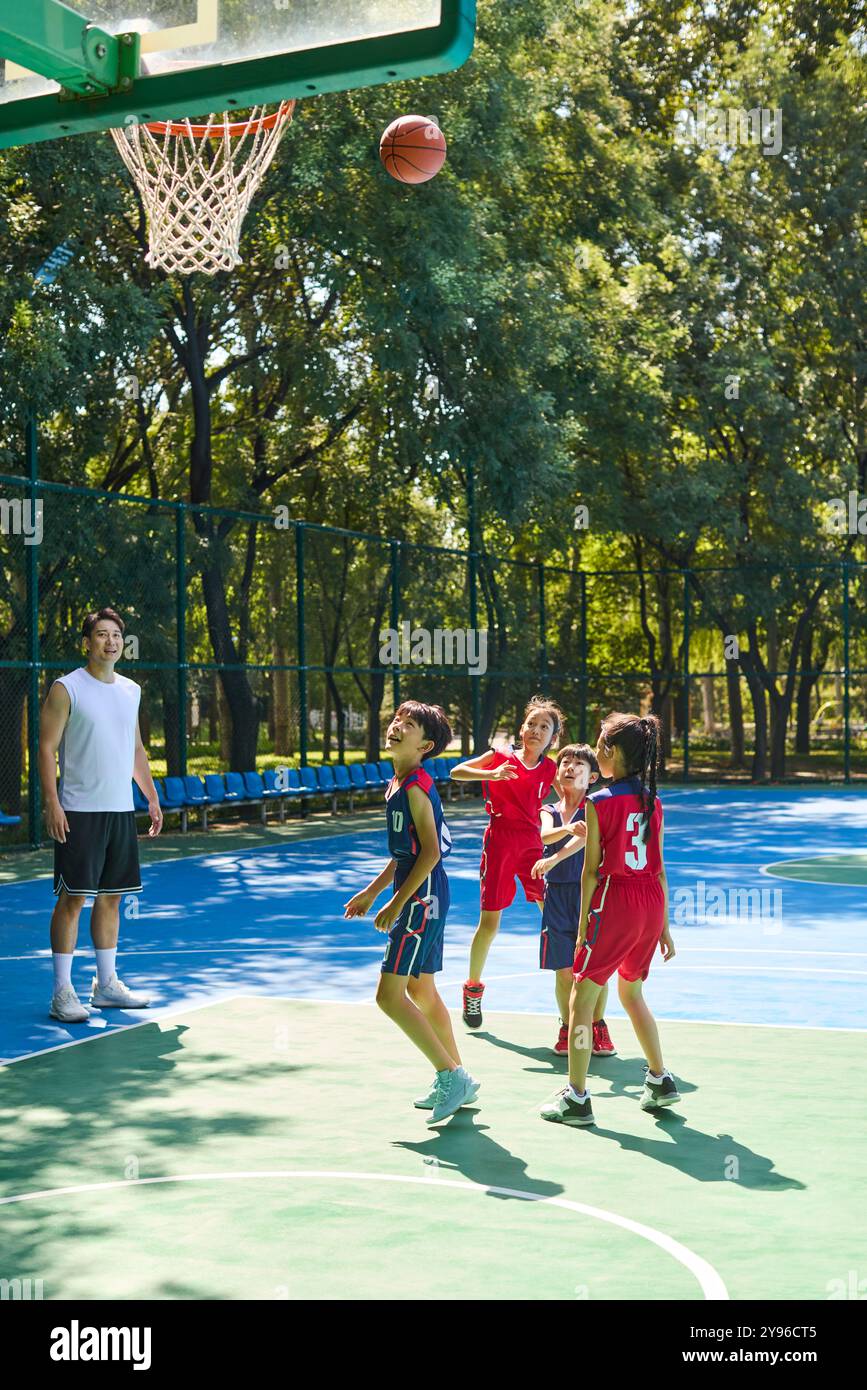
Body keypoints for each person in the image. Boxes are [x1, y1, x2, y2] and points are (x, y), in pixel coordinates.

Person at [540, 712, 678, 1127]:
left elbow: (591, 871)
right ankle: (659, 1078)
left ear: (613, 753)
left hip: (614, 903)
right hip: (650, 902)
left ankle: (577, 1098)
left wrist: (583, 926)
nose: (596, 750)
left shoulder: (598, 802)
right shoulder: (652, 801)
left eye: (600, 744)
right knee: (632, 994)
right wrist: (665, 926)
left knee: (581, 998)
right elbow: (661, 867)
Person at [344, 700, 479, 1124]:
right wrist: (372, 891)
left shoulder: (416, 788)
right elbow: (406, 853)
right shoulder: (398, 783)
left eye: (412, 724)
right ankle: (460, 1077)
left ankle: (449, 1075)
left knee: (389, 996)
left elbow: (431, 854)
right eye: (398, 719)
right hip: (423, 893)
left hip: (421, 898)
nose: (398, 725)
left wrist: (396, 903)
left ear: (427, 745)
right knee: (421, 991)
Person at [39, 607, 162, 1023]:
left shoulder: (131, 690)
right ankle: (61, 992)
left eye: (116, 636)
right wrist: (52, 802)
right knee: (73, 899)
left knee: (112, 898)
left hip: (119, 811)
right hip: (79, 812)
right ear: (87, 642)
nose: (110, 642)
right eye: (102, 634)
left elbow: (136, 749)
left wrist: (151, 796)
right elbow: (45, 748)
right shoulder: (66, 688)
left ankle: (106, 985)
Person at [450, 695, 564, 1029]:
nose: (536, 730)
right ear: (522, 728)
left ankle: (571, 998)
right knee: (490, 923)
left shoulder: (550, 767)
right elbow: (457, 772)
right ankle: (473, 988)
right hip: (499, 843)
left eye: (545, 727)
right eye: (531, 723)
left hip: (533, 845)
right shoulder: (500, 756)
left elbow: (569, 792)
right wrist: (492, 773)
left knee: (555, 917)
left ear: (552, 738)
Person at [530, 743, 615, 1057]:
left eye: (579, 763)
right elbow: (544, 835)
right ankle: (567, 1028)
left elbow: (584, 839)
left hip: (593, 895)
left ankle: (597, 1025)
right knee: (564, 971)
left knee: (595, 969)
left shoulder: (596, 807)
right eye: (565, 761)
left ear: (592, 776)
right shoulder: (548, 811)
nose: (570, 767)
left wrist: (552, 859)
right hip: (558, 897)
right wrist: (566, 828)